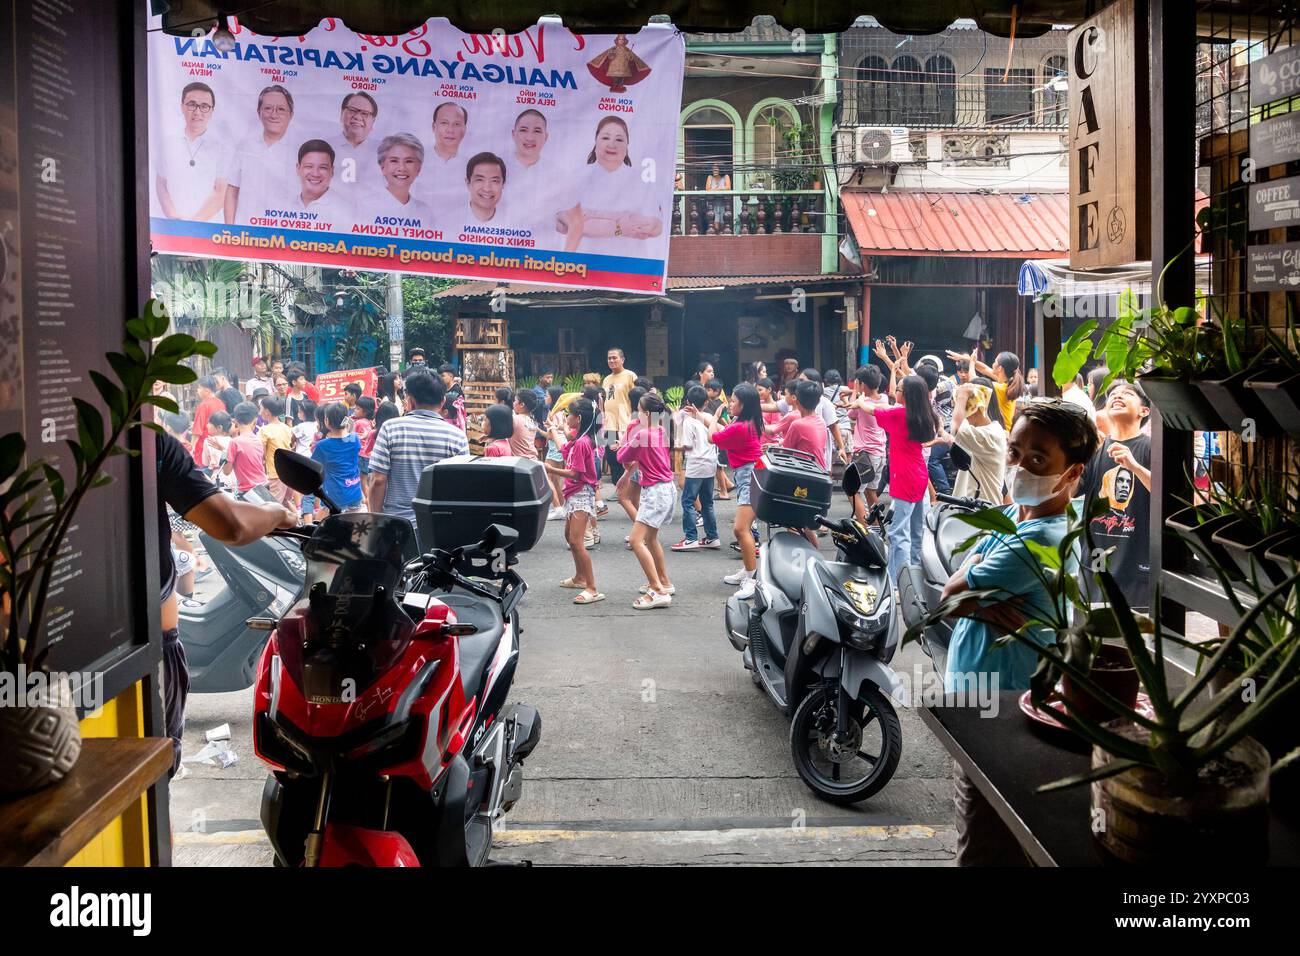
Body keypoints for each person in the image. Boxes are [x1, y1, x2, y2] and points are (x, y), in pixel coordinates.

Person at [938, 401, 1097, 866]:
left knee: (984, 844)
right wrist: (972, 592)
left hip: (999, 709)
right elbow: (957, 593)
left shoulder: (1038, 538)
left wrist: (971, 594)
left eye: (1038, 458)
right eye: (1015, 451)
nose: (1020, 466)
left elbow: (949, 596)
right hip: (983, 699)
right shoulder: (1016, 516)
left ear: (1072, 472)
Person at [155, 429, 297, 774]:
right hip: (149, 652)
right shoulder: (147, 441)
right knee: (152, 782)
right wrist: (277, 513)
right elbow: (230, 525)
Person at [685, 383, 766, 597]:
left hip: (750, 476)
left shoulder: (742, 426)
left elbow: (714, 436)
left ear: (744, 404)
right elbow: (722, 430)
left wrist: (712, 416)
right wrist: (702, 415)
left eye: (733, 401)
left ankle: (751, 580)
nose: (729, 404)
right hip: (749, 474)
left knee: (741, 529)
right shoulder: (746, 421)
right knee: (744, 529)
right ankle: (748, 570)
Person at [1079, 382, 1152, 610]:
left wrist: (1134, 467)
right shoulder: (1096, 450)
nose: (1117, 396)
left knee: (1132, 639)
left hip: (1136, 569)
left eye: (1127, 394)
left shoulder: (1151, 449)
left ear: (1144, 411)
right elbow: (1071, 490)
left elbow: (1165, 495)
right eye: (1113, 394)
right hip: (1094, 566)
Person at [862, 375, 937, 587]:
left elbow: (872, 410)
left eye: (899, 389)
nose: (895, 392)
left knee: (898, 533)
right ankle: (915, 576)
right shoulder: (925, 414)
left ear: (906, 395)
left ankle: (896, 583)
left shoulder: (899, 413)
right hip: (919, 475)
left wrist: (859, 400)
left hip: (904, 477)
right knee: (916, 531)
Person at [369, 371, 468, 528]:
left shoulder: (390, 428)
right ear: (443, 401)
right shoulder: (457, 437)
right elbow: (459, 487)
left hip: (397, 524)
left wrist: (376, 520)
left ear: (410, 401)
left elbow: (378, 480)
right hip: (438, 527)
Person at [554, 116, 663, 255]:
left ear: (627, 145)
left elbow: (656, 226)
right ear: (595, 141)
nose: (612, 144)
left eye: (619, 139)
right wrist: (620, 224)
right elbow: (564, 223)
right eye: (605, 138)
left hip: (629, 263)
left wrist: (594, 216)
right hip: (584, 262)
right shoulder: (576, 177)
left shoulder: (641, 181)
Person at [617, 393, 677, 609]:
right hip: (666, 489)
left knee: (635, 540)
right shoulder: (661, 430)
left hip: (655, 492)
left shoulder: (642, 434)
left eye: (639, 410)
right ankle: (664, 582)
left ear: (646, 413)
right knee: (651, 539)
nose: (637, 413)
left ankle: (657, 590)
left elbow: (620, 455)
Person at [545, 397, 605, 605]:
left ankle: (592, 587)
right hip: (574, 493)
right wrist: (554, 430)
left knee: (577, 542)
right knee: (570, 538)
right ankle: (580, 578)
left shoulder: (581, 443)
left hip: (580, 493)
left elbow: (575, 474)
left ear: (578, 418)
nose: (566, 418)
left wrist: (551, 469)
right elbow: (564, 448)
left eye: (569, 414)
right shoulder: (578, 440)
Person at [154, 81, 227, 222]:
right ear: (182, 107)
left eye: (204, 106)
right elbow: (161, 184)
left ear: (212, 110)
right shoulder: (168, 143)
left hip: (207, 229)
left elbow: (220, 193)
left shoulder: (222, 148)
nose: (197, 112)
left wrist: (193, 224)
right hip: (172, 226)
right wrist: (173, 216)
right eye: (192, 105)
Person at [225, 84, 297, 225]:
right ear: (259, 112)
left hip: (283, 238)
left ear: (291, 114)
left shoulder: (298, 151)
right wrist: (229, 231)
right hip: (245, 234)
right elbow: (232, 192)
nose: (274, 114)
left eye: (281, 109)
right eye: (268, 108)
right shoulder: (245, 146)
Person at [671, 384, 720, 552]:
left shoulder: (689, 421)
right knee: (707, 502)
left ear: (687, 402)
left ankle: (691, 537)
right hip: (710, 461)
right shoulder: (708, 416)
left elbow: (688, 445)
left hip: (696, 463)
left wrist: (679, 446)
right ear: (706, 402)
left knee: (688, 501)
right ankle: (712, 536)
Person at [945, 382, 1007, 504]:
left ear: (976, 409)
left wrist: (962, 396)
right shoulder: (989, 430)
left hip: (981, 510)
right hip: (972, 505)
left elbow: (956, 429)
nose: (965, 418)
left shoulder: (989, 435)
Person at [362, 132, 436, 229]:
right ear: (382, 167)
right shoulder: (366, 206)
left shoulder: (425, 212)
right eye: (394, 161)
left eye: (409, 161)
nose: (401, 168)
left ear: (418, 169)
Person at [843, 365, 890, 515]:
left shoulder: (862, 403)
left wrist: (855, 392)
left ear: (862, 384)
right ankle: (876, 527)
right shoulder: (884, 399)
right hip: (880, 454)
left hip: (866, 455)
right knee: (871, 491)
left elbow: (850, 414)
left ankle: (864, 527)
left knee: (853, 491)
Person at [947, 348, 1024, 433]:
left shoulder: (999, 388)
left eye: (995, 361)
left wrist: (972, 363)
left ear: (1000, 368)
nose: (993, 364)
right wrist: (964, 358)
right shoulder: (1007, 381)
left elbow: (975, 381)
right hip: (1004, 431)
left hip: (1002, 431)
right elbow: (984, 368)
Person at [284, 139, 352, 232]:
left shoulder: (345, 210)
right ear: (298, 168)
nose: (315, 174)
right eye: (309, 166)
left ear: (332, 171)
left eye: (323, 168)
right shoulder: (284, 205)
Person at [312, 402, 365, 513]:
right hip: (355, 491)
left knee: (330, 526)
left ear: (326, 421)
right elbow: (347, 433)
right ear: (346, 419)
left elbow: (314, 466)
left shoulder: (322, 445)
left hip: (334, 495)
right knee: (353, 526)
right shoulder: (355, 439)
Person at [770, 379, 831, 470]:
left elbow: (785, 450)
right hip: (820, 470)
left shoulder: (798, 425)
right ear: (818, 402)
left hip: (805, 473)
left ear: (797, 402)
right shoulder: (821, 420)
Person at [329, 91, 381, 197]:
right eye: (352, 110)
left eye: (365, 113)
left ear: (373, 122)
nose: (357, 117)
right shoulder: (323, 147)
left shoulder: (385, 152)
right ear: (341, 114)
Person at [601, 347, 638, 485]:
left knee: (626, 455)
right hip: (610, 425)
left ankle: (630, 487)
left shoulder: (630, 376)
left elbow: (637, 398)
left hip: (625, 424)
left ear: (622, 359)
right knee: (611, 457)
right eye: (609, 358)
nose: (611, 360)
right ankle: (618, 486)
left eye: (614, 357)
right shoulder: (606, 379)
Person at [257, 396, 296, 506]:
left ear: (267, 412)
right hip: (289, 472)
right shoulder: (286, 428)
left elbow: (262, 455)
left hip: (276, 473)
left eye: (260, 409)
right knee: (286, 502)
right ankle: (297, 521)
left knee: (274, 506)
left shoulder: (264, 430)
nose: (259, 412)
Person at [222, 402, 269, 493]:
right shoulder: (258, 440)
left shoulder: (235, 442)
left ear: (235, 421)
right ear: (255, 421)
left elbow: (226, 471)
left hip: (247, 491)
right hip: (263, 486)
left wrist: (224, 453)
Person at [189, 375, 226, 468]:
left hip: (203, 448)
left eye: (199, 388)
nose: (197, 390)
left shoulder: (203, 405)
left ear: (207, 390)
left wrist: (191, 448)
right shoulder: (220, 403)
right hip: (218, 445)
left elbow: (197, 430)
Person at [460, 152, 506, 225]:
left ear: (503, 184)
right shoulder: (448, 222)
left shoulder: (517, 224)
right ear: (468, 183)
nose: (487, 189)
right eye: (480, 180)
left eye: (494, 181)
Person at [352, 396, 377, 493]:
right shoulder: (370, 422)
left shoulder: (358, 422)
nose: (355, 409)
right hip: (368, 454)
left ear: (365, 411)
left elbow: (352, 437)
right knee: (366, 480)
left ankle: (367, 500)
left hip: (360, 454)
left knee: (361, 481)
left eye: (358, 408)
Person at [437, 363, 468, 430]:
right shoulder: (442, 389)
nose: (441, 378)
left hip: (455, 422)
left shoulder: (457, 390)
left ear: (451, 376)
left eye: (443, 376)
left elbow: (460, 410)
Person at [704, 163, 730, 230]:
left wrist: (716, 189)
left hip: (723, 204)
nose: (714, 170)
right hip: (712, 205)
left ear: (721, 169)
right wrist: (721, 188)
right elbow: (707, 189)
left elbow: (728, 188)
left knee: (723, 225)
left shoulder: (725, 177)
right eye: (713, 169)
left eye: (716, 168)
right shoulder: (710, 177)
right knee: (715, 226)